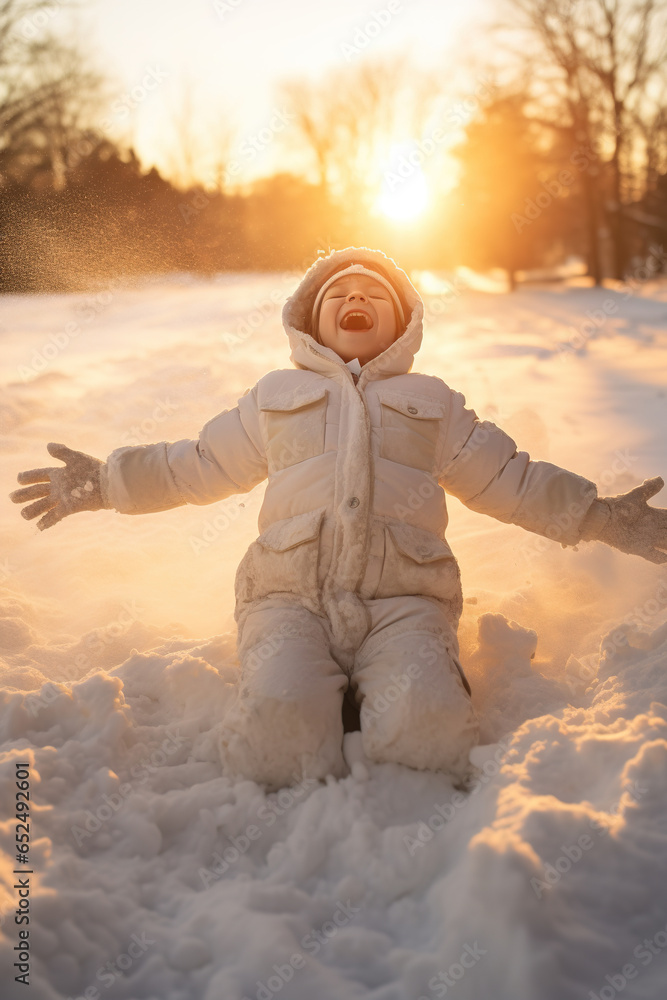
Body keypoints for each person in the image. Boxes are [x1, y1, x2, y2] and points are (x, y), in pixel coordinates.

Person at [9, 247, 667, 792]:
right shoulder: (274, 399)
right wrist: (108, 480)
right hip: (286, 599)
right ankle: (319, 703)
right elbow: (197, 462)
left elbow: (511, 478)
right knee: (276, 741)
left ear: (403, 325)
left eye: (373, 294)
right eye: (337, 295)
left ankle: (388, 694)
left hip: (405, 601)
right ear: (309, 325)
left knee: (429, 733)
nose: (355, 298)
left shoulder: (432, 404)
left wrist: (603, 517)